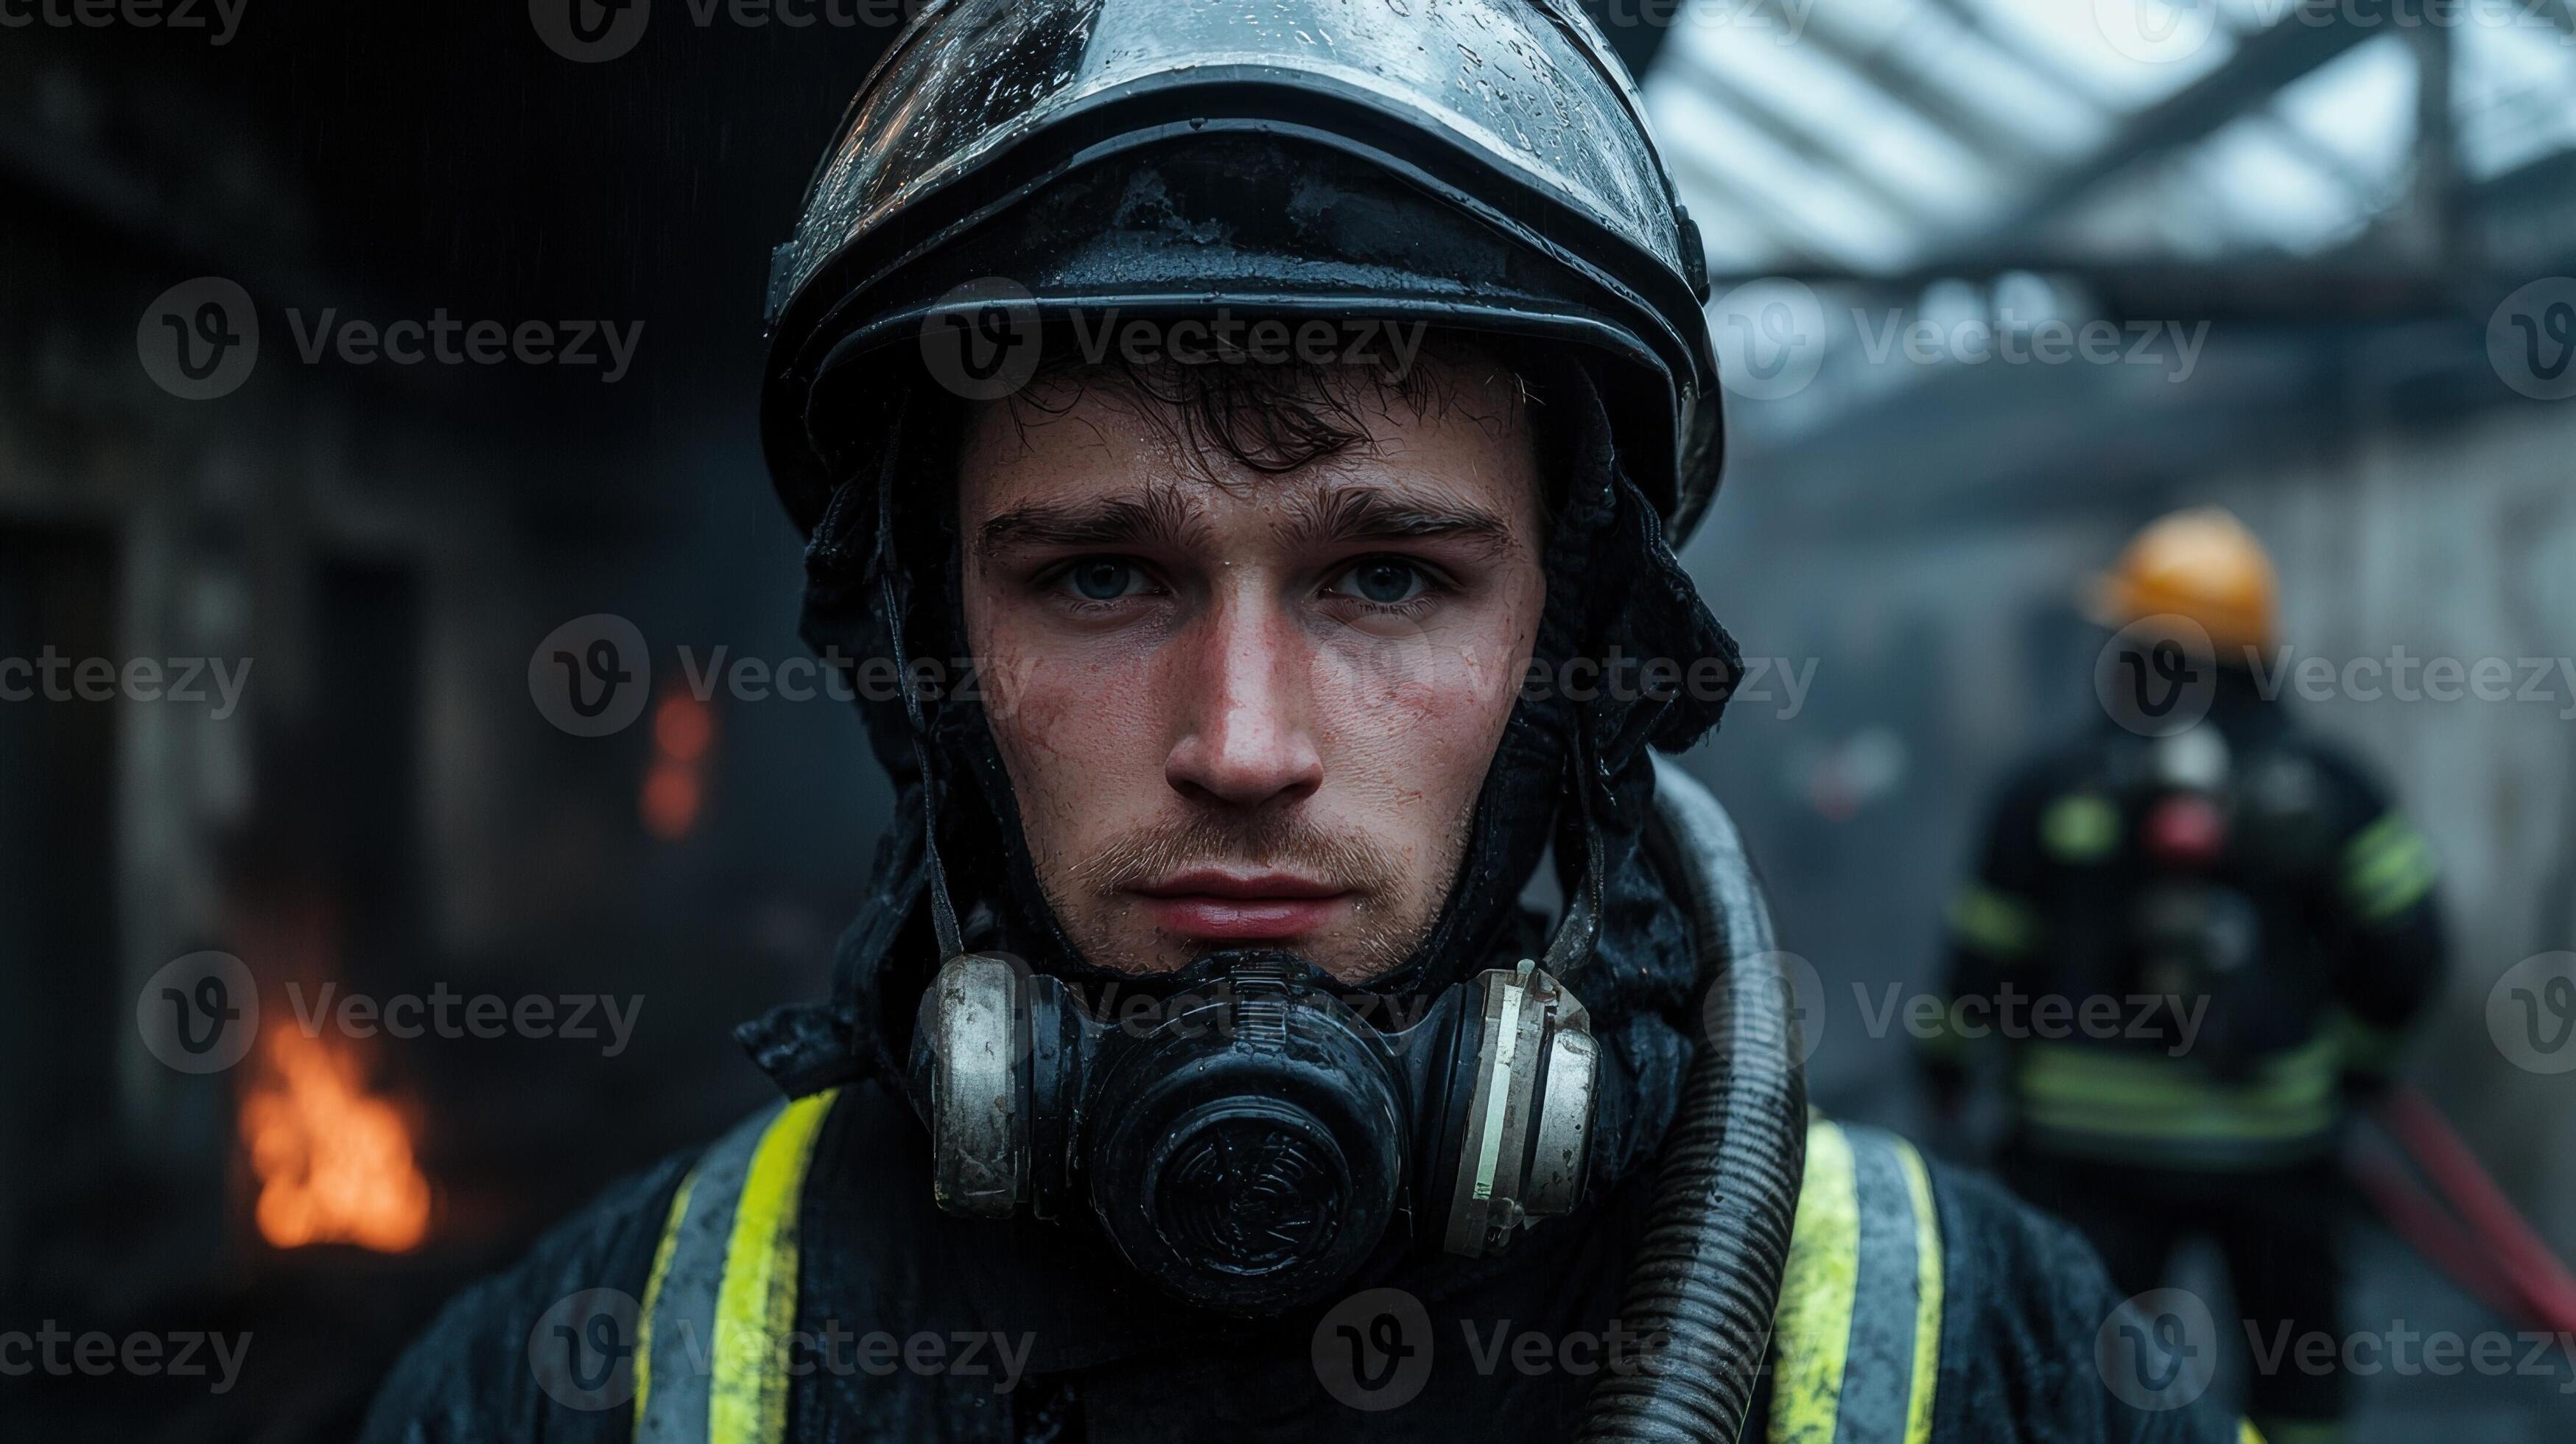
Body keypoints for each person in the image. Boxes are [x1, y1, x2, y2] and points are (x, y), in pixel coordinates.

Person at [365, 3, 2254, 1439]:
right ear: (924, 654)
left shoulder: (2009, 1360)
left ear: (1571, 651)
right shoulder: (579, 1373)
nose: (1244, 745)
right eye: (1100, 577)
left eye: (1384, 579)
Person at [1926, 508, 2447, 1444]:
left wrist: (1950, 1077)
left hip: (2083, 1158)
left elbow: (1978, 964)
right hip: (2274, 1149)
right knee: (2297, 1383)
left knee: (2068, 1382)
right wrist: (2354, 1067)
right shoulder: (2331, 790)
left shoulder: (2049, 788)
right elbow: (2407, 953)